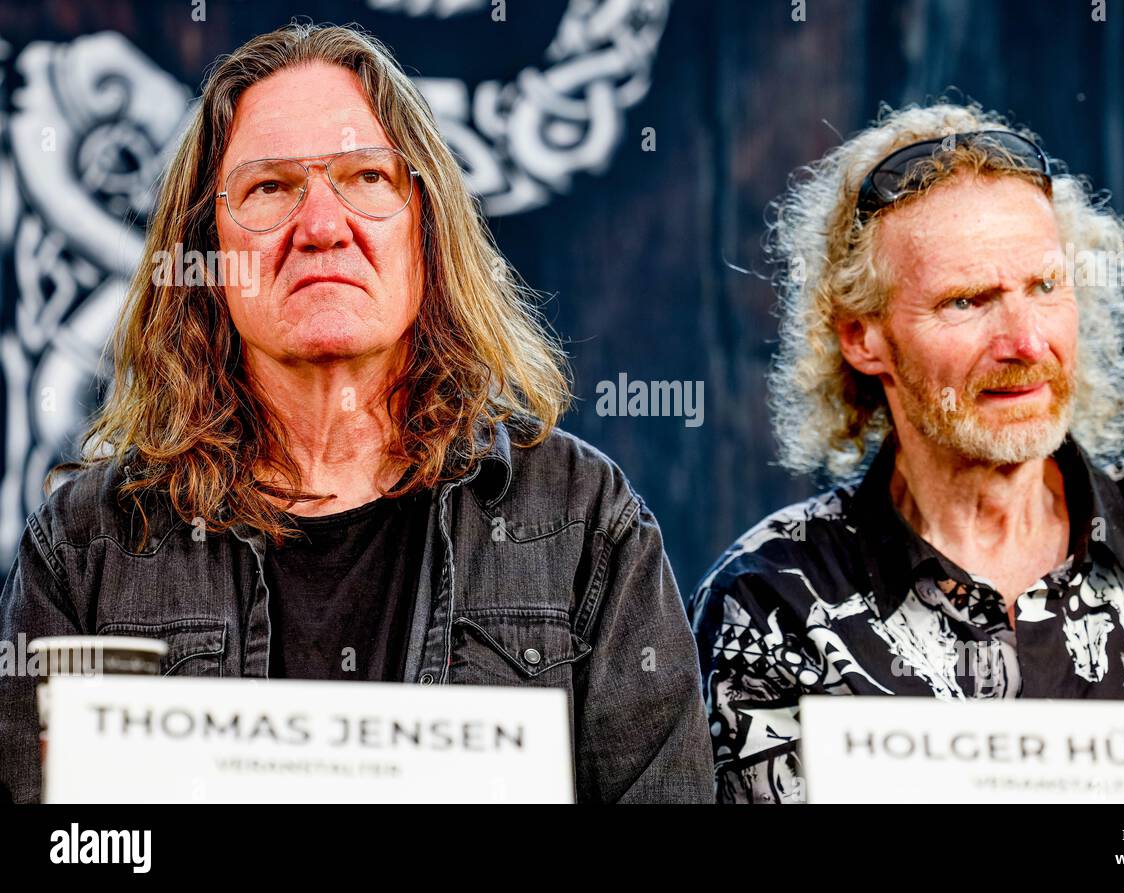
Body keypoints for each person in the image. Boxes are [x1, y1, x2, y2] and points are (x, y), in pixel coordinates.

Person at [0, 23, 712, 805]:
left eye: (366, 177)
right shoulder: (87, 545)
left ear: (426, 227)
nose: (322, 226)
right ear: (205, 252)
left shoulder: (582, 519)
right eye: (269, 187)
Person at [690, 100, 1124, 803]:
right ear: (863, 337)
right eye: (968, 301)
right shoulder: (773, 601)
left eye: (1045, 287)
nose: (1027, 342)